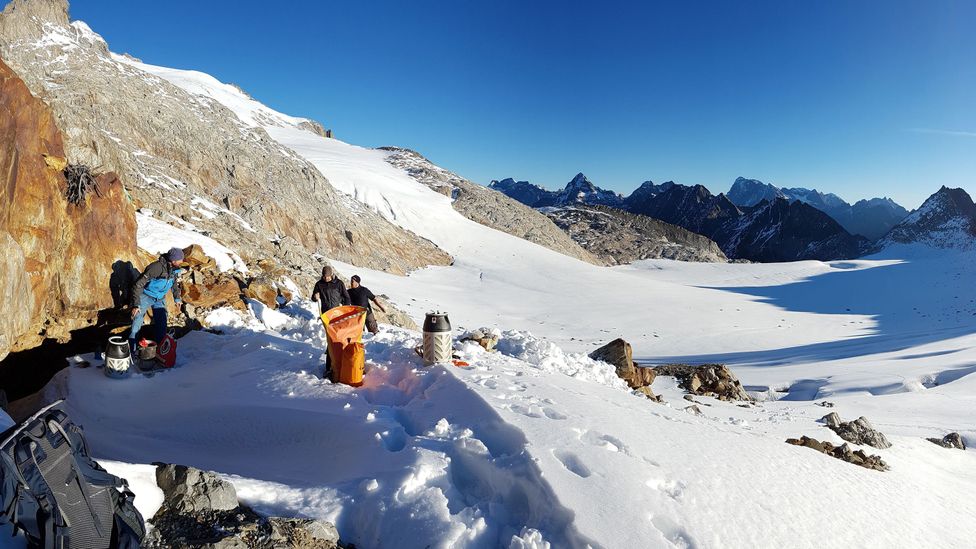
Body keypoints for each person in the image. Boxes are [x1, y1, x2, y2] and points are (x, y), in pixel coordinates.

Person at [129, 247, 185, 351]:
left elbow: (174, 285)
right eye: (181, 259)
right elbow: (138, 285)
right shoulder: (155, 268)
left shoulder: (174, 269)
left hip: (159, 298)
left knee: (162, 322)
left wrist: (177, 299)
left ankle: (160, 348)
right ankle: (132, 349)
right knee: (137, 321)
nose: (182, 261)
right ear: (173, 260)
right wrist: (136, 304)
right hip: (146, 295)